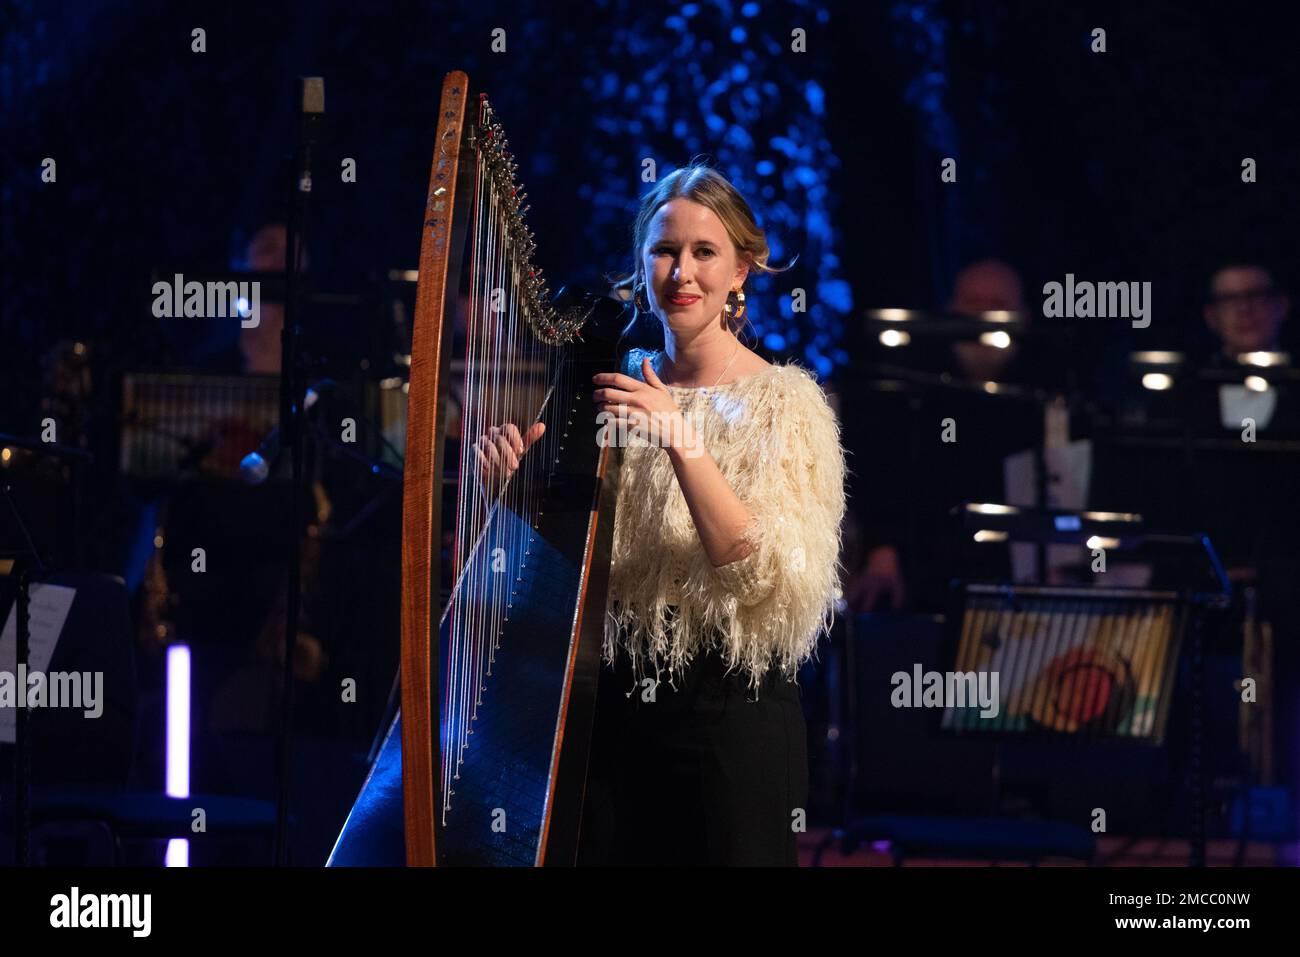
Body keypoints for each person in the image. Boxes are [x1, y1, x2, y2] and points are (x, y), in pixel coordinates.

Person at [473, 162, 847, 865]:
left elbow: (770, 579)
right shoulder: (613, 387)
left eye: (705, 253)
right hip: (613, 719)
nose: (682, 271)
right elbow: (576, 574)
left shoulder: (786, 405)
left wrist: (679, 436)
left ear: (742, 271)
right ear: (641, 264)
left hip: (727, 727)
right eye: (664, 250)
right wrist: (514, 498)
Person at [843, 258, 1044, 613]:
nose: (983, 318)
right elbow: (882, 470)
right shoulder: (910, 389)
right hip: (924, 579)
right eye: (973, 304)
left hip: (1018, 587)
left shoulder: (1041, 396)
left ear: (1023, 316)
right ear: (950, 309)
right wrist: (884, 549)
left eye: (997, 306)